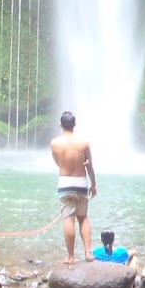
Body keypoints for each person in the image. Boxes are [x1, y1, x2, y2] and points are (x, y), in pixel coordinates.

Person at [49, 111, 97, 263]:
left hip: (64, 182)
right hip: (81, 182)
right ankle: (88, 253)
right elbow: (90, 166)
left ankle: (71, 256)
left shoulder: (55, 143)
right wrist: (93, 184)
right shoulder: (84, 143)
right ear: (75, 124)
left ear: (60, 124)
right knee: (83, 218)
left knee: (68, 219)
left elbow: (57, 162)